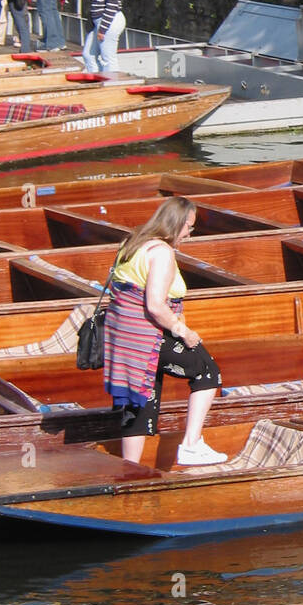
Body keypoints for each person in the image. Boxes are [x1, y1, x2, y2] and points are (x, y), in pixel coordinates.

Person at [104, 197, 226, 466]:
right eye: (189, 228)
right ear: (176, 224)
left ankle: (130, 470)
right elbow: (155, 305)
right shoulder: (161, 252)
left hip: (123, 338)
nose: (189, 235)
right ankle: (192, 445)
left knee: (138, 399)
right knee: (207, 371)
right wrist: (183, 331)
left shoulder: (131, 242)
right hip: (148, 336)